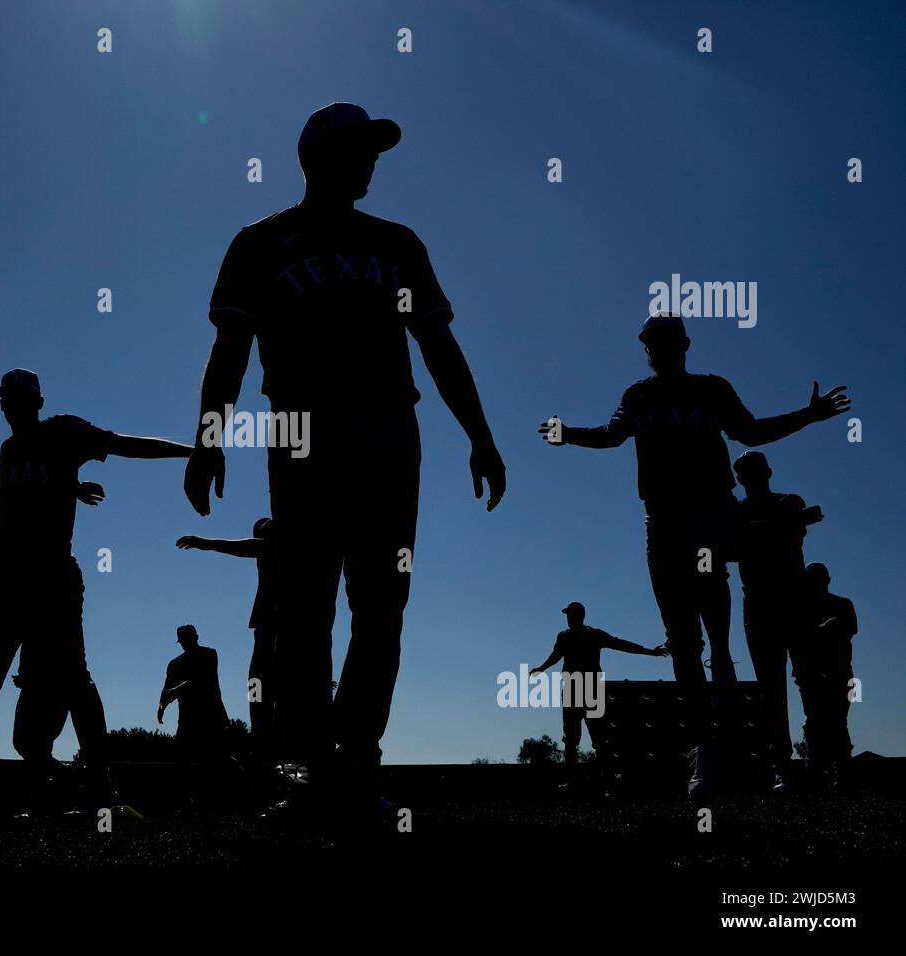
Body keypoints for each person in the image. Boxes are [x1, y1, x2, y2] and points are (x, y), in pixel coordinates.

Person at [185, 103, 506, 814]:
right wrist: (209, 439)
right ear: (321, 156)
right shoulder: (260, 242)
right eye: (361, 150)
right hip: (301, 433)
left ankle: (355, 760)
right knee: (304, 611)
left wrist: (480, 434)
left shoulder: (396, 242)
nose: (372, 163)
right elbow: (229, 350)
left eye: (375, 152)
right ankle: (319, 770)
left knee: (381, 604)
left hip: (389, 431)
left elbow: (438, 345)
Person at [539, 312, 850, 795]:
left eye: (667, 343)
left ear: (684, 346)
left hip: (708, 514)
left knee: (715, 627)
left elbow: (750, 431)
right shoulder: (637, 395)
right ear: (648, 350)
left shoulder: (711, 389)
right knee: (683, 643)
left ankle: (735, 716)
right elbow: (611, 434)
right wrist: (569, 434)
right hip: (662, 521)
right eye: (653, 344)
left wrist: (807, 416)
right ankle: (706, 748)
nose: (660, 350)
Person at [0, 368, 192, 810]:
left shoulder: (65, 431)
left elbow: (125, 445)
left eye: (19, 399)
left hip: (51, 580)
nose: (9, 406)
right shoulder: (7, 448)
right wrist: (70, 488)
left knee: (75, 679)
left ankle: (99, 781)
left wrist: (192, 452)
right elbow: (33, 492)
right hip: (3, 579)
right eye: (5, 399)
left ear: (37, 403)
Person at [732, 451, 823, 790]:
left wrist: (759, 533)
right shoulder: (741, 513)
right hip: (758, 607)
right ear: (740, 479)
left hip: (793, 602)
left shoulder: (788, 502)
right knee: (771, 689)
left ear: (768, 471)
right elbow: (731, 547)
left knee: (809, 680)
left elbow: (784, 536)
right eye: (745, 473)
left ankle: (817, 759)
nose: (751, 478)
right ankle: (781, 764)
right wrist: (774, 528)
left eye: (755, 471)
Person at [530, 602, 667, 785]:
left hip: (590, 689)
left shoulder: (592, 635)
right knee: (572, 739)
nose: (569, 619)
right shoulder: (566, 636)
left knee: (597, 737)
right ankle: (576, 780)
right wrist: (542, 668)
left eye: (571, 615)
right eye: (568, 615)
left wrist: (650, 652)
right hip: (573, 689)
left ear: (579, 616)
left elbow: (620, 644)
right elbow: (555, 655)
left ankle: (606, 778)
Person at [176, 517, 277, 763]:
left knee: (260, 686)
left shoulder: (275, 548)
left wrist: (206, 543)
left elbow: (247, 546)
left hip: (275, 624)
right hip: (267, 625)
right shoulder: (268, 549)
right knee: (257, 686)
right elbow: (251, 546)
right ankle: (262, 742)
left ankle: (268, 745)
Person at [796, 563, 857, 788]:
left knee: (836, 721)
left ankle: (836, 772)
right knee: (818, 722)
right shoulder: (802, 610)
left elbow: (847, 631)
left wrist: (819, 632)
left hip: (845, 677)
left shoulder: (842, 604)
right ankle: (821, 772)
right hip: (815, 677)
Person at [157, 625, 230, 763]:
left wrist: (174, 692)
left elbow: (201, 680)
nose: (186, 645)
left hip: (212, 720)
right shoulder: (175, 664)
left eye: (188, 640)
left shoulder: (209, 655)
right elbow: (166, 689)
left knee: (219, 762)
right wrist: (161, 707)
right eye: (183, 642)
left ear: (196, 638)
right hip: (188, 722)